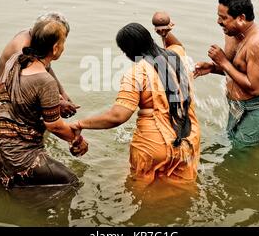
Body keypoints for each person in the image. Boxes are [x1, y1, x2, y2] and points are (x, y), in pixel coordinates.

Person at [70, 19, 201, 188]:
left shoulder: (136, 73)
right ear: (149, 39)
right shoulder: (178, 57)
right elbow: (177, 44)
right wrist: (165, 33)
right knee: (182, 190)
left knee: (140, 193)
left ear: (128, 53)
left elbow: (118, 116)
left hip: (154, 146)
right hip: (188, 138)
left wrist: (81, 123)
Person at [0, 17, 88, 188]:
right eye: (63, 43)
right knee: (71, 182)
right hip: (15, 154)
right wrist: (77, 139)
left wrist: (58, 99)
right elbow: (55, 126)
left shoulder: (15, 60)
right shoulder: (45, 81)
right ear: (56, 48)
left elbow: (7, 88)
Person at [193, 0, 259, 148]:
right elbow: (237, 70)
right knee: (229, 141)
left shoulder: (258, 42)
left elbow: (254, 87)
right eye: (218, 16)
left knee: (238, 152)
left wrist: (222, 62)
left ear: (241, 18)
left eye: (224, 18)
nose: (218, 22)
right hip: (239, 105)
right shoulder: (231, 34)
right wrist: (213, 68)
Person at [0, 12, 79, 119]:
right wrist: (58, 102)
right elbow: (22, 87)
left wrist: (63, 94)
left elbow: (47, 68)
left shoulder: (39, 42)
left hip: (21, 104)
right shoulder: (22, 51)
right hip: (4, 104)